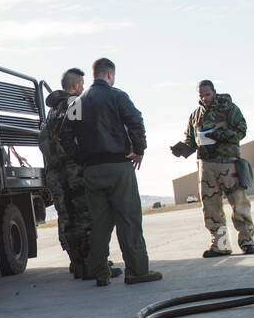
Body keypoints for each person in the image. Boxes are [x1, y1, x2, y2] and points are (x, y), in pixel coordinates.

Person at [69, 57, 162, 285]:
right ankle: (137, 271)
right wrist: (138, 150)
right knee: (128, 219)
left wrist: (81, 157)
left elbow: (64, 134)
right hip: (118, 165)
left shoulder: (78, 102)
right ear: (109, 74)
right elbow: (135, 121)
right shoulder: (116, 95)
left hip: (92, 169)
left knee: (99, 222)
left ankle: (100, 273)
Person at [39, 68, 120, 279]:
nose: (84, 88)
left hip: (55, 173)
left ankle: (78, 263)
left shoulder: (52, 112)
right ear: (75, 86)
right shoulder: (74, 103)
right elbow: (76, 133)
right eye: (82, 84)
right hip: (74, 170)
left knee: (67, 217)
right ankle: (94, 264)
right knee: (87, 216)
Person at [171, 80, 254, 257]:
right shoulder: (196, 115)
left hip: (228, 162)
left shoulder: (229, 109)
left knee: (239, 203)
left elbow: (242, 130)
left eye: (207, 94)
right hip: (206, 165)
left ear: (214, 92)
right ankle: (221, 245)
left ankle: (247, 242)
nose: (204, 98)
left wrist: (221, 135)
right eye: (201, 95)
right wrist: (182, 149)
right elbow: (191, 139)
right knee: (211, 207)